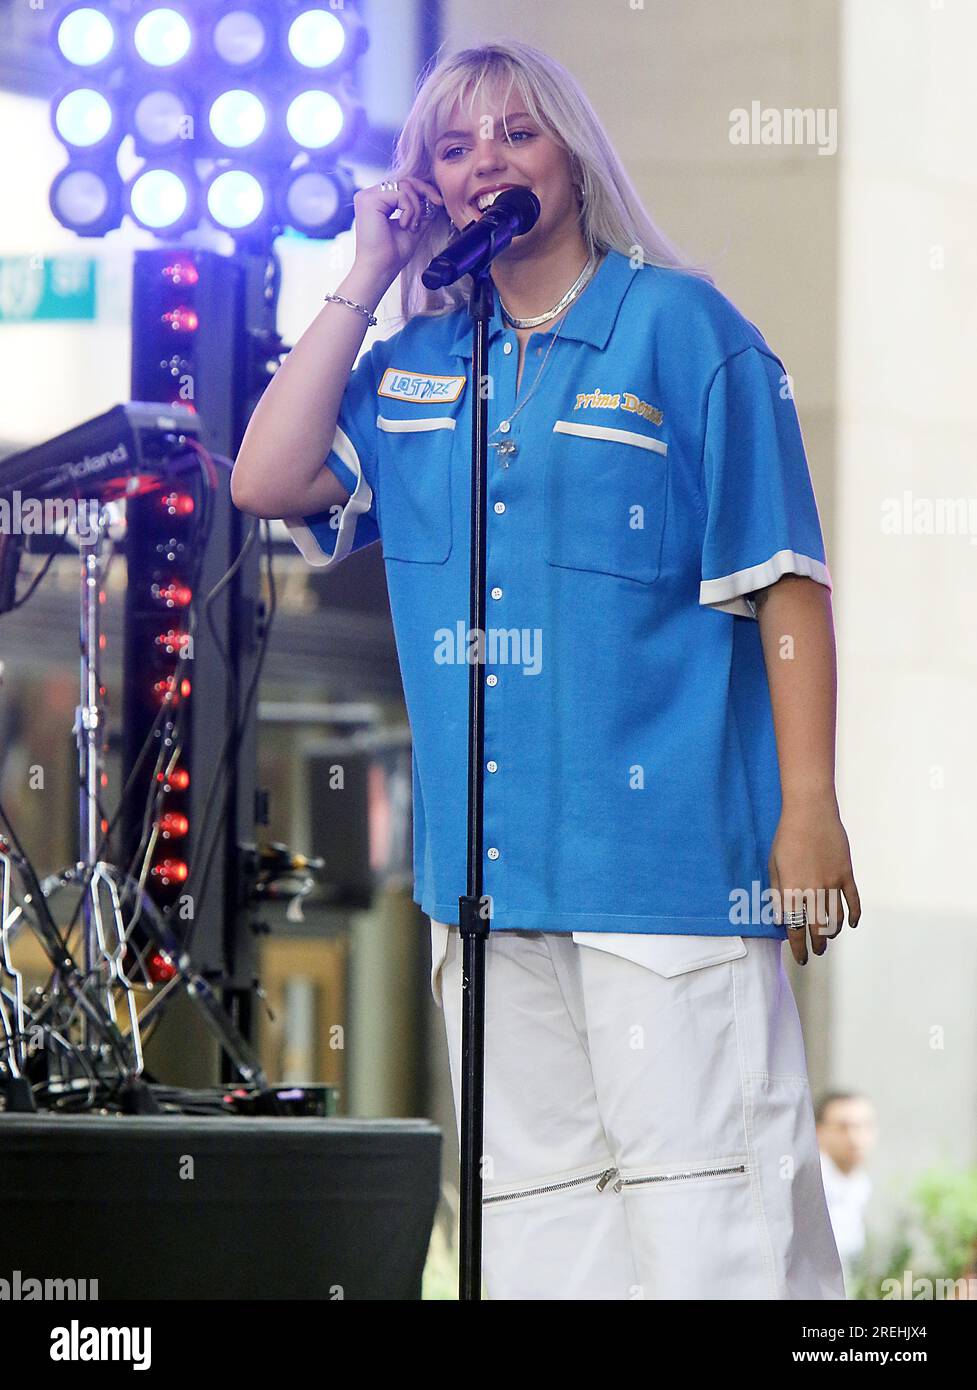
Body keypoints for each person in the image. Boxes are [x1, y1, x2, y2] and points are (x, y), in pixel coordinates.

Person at [231, 39, 862, 1300]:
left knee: (706, 1226)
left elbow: (784, 578)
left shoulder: (682, 329)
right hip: (487, 886)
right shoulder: (417, 362)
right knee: (538, 1239)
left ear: (570, 157)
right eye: (452, 148)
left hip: (672, 873)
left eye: (515, 135)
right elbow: (264, 479)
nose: (485, 165)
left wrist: (808, 810)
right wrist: (367, 269)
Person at [816, 1091, 878, 1283]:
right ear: (818, 1131)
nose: (854, 1136)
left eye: (863, 1126)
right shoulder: (808, 1186)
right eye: (843, 1127)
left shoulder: (860, 1184)